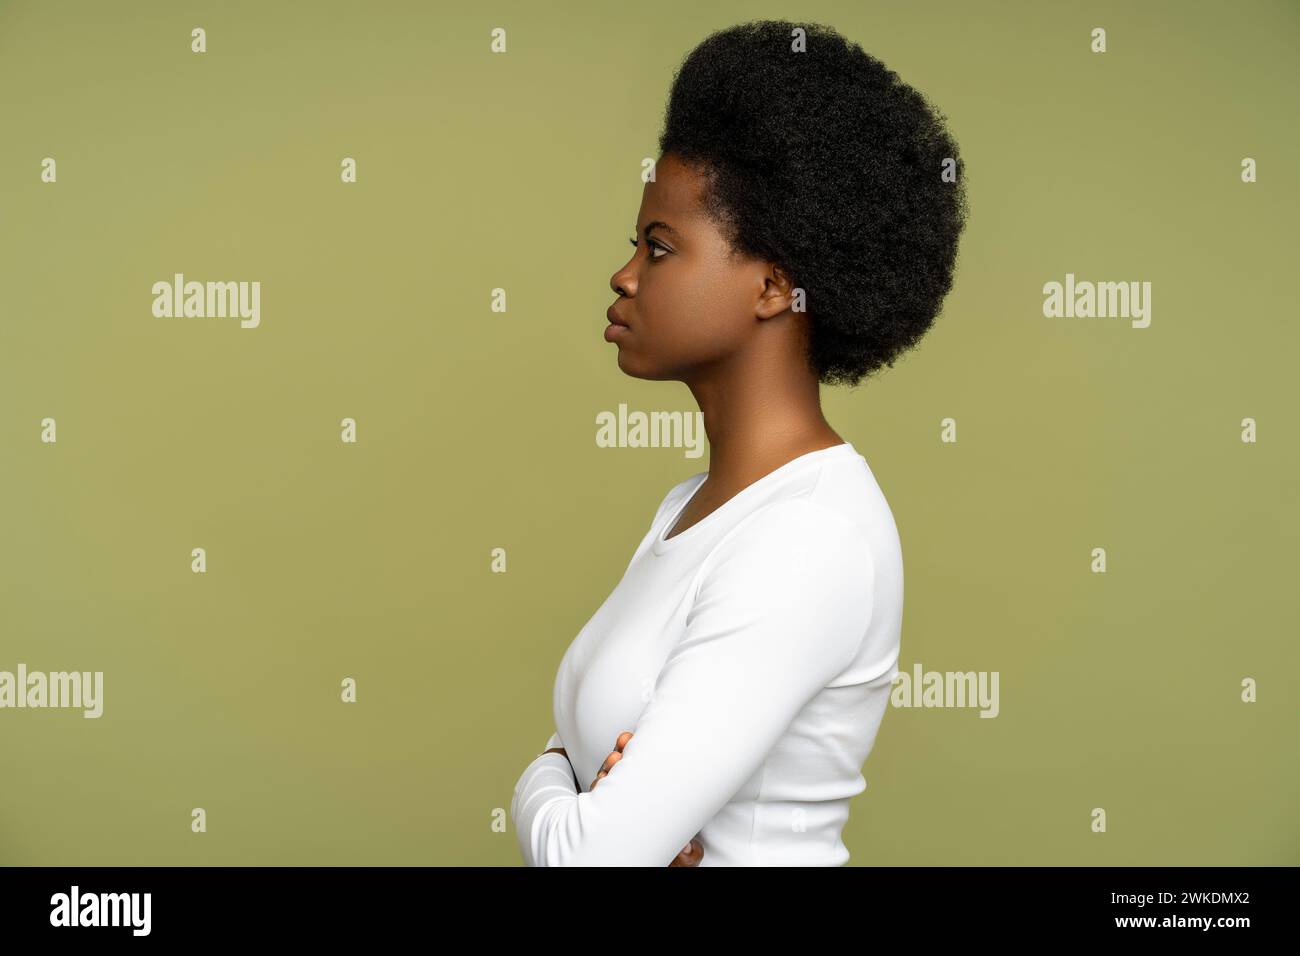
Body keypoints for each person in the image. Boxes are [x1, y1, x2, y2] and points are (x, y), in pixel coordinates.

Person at [510, 18, 968, 866]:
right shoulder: (692, 506)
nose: (624, 275)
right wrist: (571, 780)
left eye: (660, 246)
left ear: (771, 288)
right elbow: (587, 787)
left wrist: (545, 783)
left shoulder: (809, 536)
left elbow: (588, 854)